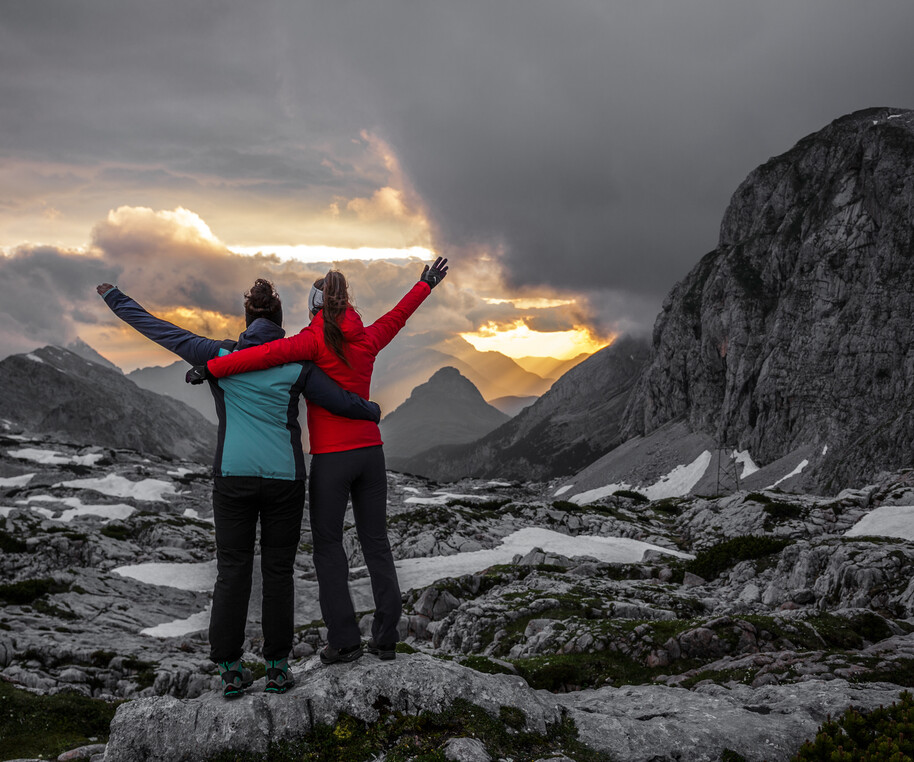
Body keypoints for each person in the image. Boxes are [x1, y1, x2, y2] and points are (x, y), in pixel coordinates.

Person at [97, 279, 381, 698]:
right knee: (278, 572)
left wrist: (115, 298)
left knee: (232, 571)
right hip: (285, 478)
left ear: (247, 321)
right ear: (281, 325)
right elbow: (339, 400)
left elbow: (159, 329)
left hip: (233, 476)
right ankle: (278, 668)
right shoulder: (297, 364)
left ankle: (230, 670)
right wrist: (370, 410)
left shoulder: (218, 355)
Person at [192, 257, 449, 664]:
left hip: (331, 459)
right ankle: (385, 640)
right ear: (347, 304)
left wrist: (212, 367)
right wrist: (425, 285)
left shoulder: (310, 342)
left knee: (329, 548)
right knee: (376, 544)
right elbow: (398, 317)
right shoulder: (368, 338)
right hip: (371, 453)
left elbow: (261, 357)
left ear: (314, 307)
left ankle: (344, 641)